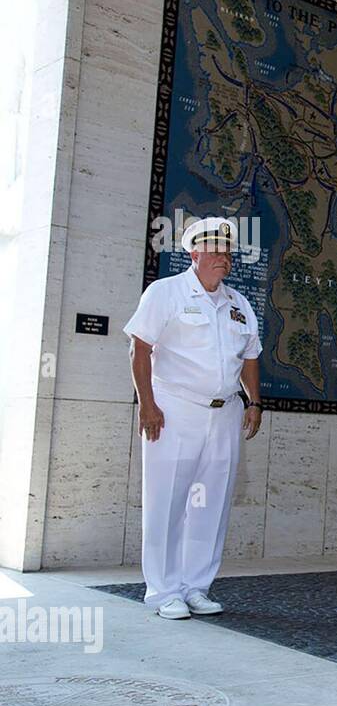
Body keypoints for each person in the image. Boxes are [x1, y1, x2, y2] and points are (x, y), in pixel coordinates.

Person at [123, 216, 263, 619]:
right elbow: (140, 349)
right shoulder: (165, 293)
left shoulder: (237, 303)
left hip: (224, 415)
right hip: (174, 410)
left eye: (228, 252)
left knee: (211, 504)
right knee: (167, 500)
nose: (225, 258)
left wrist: (254, 401)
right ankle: (164, 591)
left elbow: (250, 355)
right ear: (194, 253)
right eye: (216, 251)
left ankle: (196, 586)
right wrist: (147, 404)